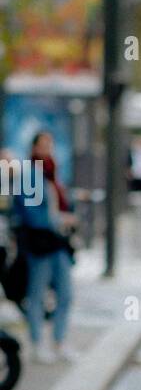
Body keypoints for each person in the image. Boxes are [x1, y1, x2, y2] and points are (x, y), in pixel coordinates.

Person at [11, 131, 77, 363]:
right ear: (34, 148)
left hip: (58, 243)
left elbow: (62, 202)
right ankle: (38, 343)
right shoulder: (30, 175)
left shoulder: (53, 174)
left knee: (66, 294)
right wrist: (61, 219)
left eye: (51, 144)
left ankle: (59, 341)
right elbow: (32, 216)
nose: (48, 149)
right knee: (37, 295)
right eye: (44, 145)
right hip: (39, 244)